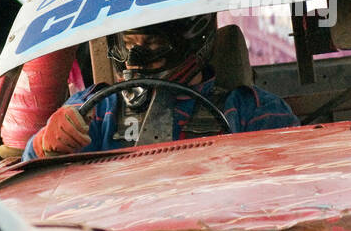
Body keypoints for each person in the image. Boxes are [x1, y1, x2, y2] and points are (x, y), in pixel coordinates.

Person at [22, 14, 298, 159]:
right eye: (129, 44)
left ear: (193, 42)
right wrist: (44, 145)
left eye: (153, 44)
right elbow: (33, 187)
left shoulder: (253, 111)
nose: (135, 57)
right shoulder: (95, 107)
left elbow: (293, 186)